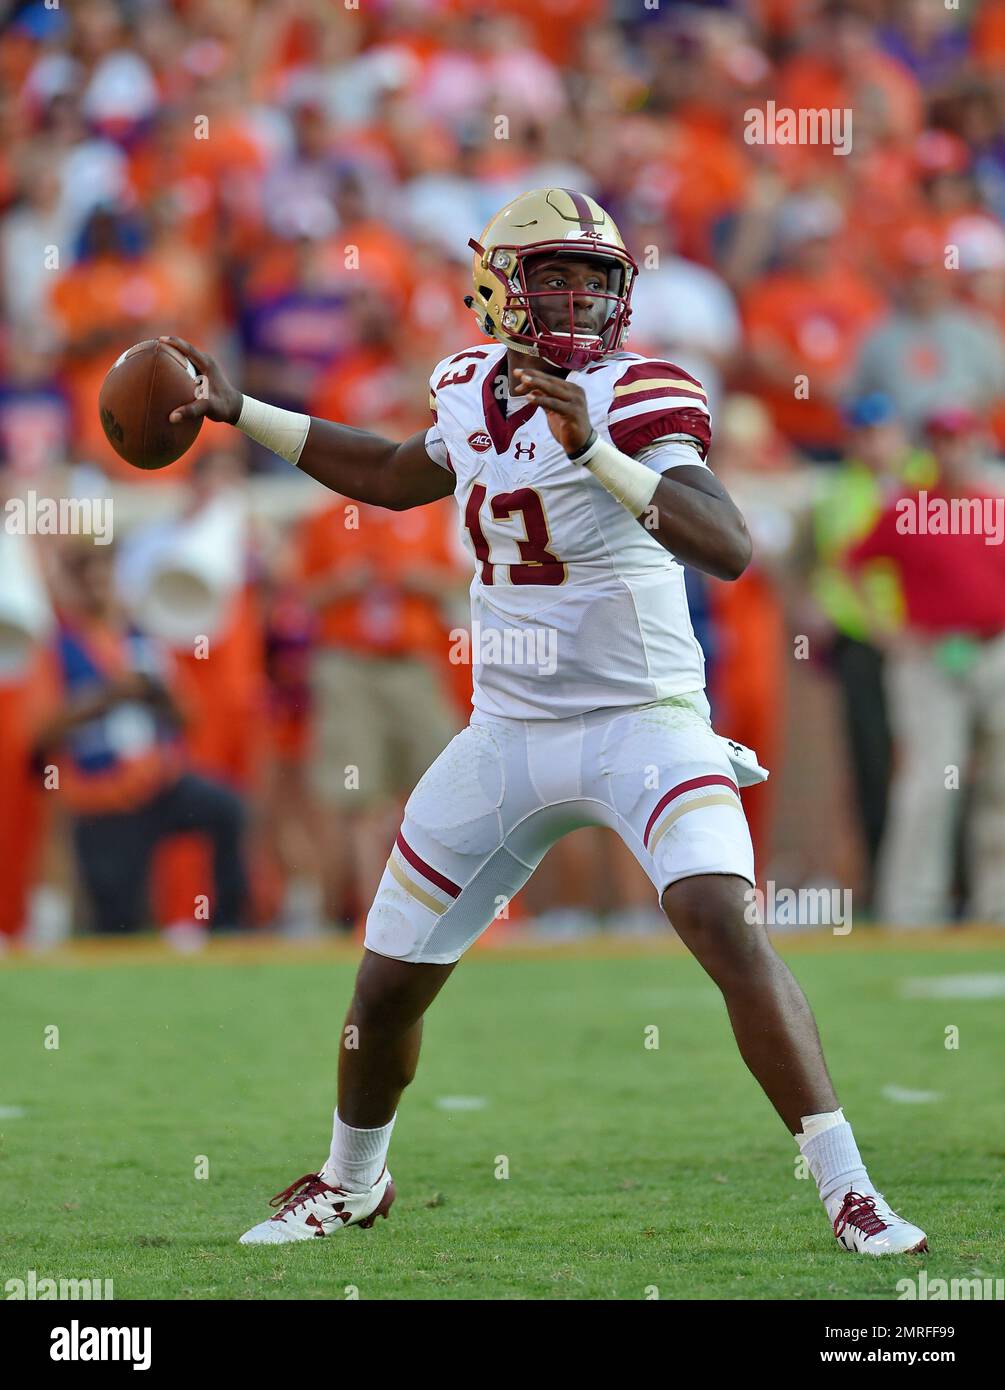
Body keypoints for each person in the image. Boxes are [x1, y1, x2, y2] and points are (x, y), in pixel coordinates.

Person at [164, 187, 927, 1256]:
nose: (578, 298)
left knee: (719, 917)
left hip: (642, 720)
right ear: (499, 288)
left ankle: (851, 1190)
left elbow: (727, 541)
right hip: (508, 734)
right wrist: (241, 411)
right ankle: (352, 1180)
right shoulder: (469, 386)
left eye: (596, 278)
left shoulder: (640, 392)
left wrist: (596, 452)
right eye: (554, 276)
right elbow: (388, 476)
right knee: (385, 987)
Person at [32, 542, 249, 942]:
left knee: (228, 811)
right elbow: (41, 731)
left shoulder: (140, 637)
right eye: (87, 578)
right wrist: (107, 696)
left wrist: (158, 692)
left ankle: (227, 927)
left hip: (158, 782)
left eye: (104, 577)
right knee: (118, 922)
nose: (98, 588)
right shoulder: (56, 646)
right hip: (102, 797)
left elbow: (187, 718)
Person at [846, 408, 1005, 926]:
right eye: (941, 441)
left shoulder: (993, 506)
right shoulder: (908, 509)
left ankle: (995, 906)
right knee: (931, 782)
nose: (951, 451)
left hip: (994, 650)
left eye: (958, 440)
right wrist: (884, 631)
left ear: (976, 444)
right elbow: (852, 564)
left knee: (1000, 784)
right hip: (930, 660)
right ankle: (912, 910)